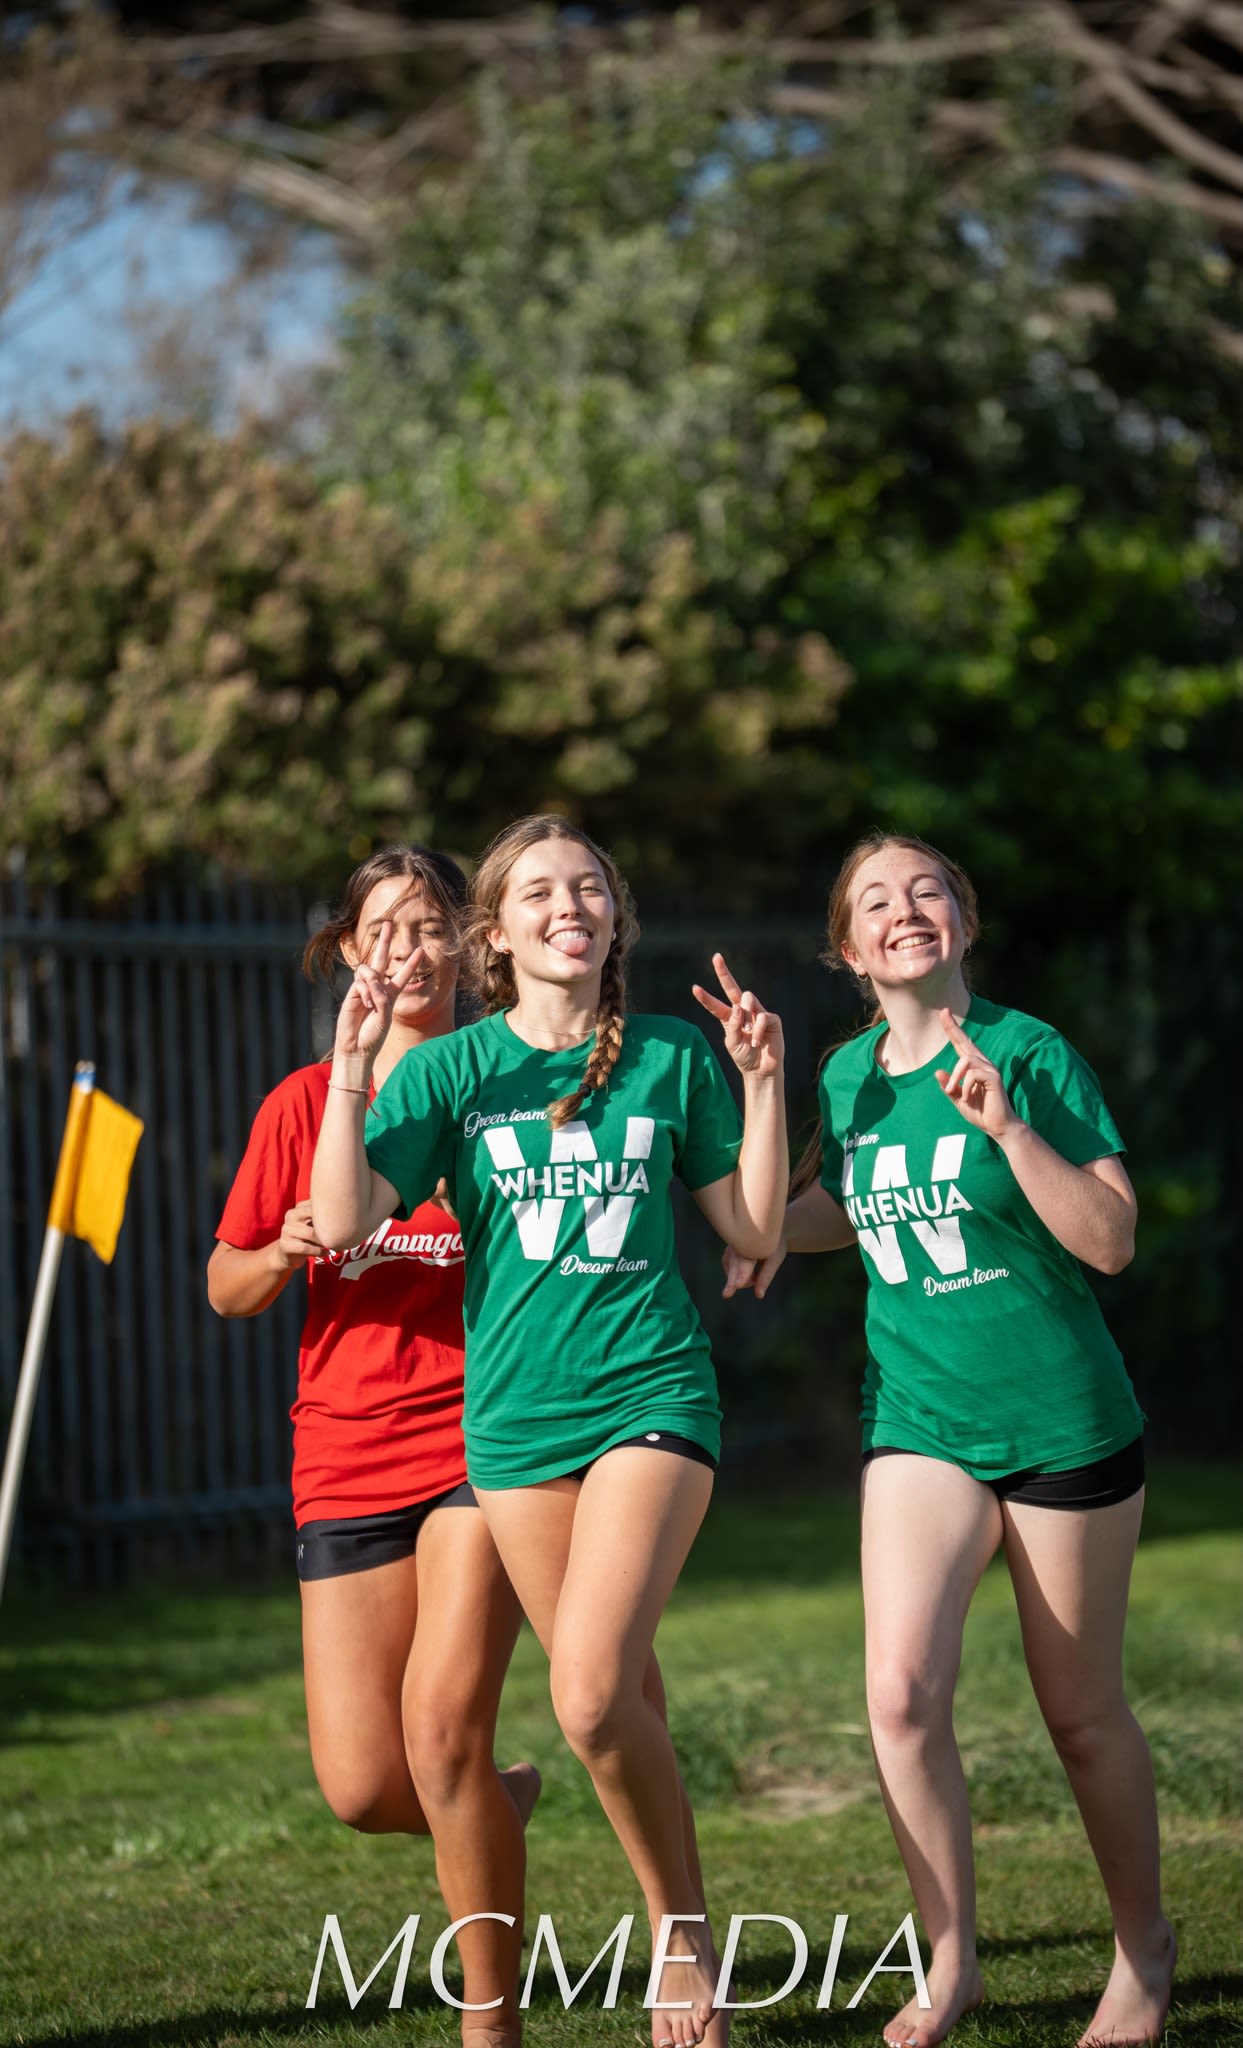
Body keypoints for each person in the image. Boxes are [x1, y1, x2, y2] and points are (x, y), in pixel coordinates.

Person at [310, 814, 788, 2048]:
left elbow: (750, 1225)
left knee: (582, 1695)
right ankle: (658, 1935)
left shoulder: (675, 1058)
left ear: (614, 919)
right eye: (536, 890)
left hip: (651, 1400)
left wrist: (766, 1079)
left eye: (588, 886)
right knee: (617, 1686)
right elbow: (348, 1217)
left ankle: (681, 1940)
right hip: (516, 1426)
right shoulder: (450, 1072)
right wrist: (354, 1065)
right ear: (498, 932)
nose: (566, 903)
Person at [724, 831, 1175, 2048]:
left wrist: (1009, 1132)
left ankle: (1142, 1950)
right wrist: (764, 1224)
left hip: (1062, 1421)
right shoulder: (847, 1075)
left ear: (962, 926)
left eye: (928, 891)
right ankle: (951, 1956)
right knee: (900, 1694)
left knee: (1078, 1714)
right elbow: (846, 1201)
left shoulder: (1027, 1053)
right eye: (876, 899)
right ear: (847, 944)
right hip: (921, 1420)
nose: (904, 909)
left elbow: (1112, 1240)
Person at [207, 845, 539, 2048]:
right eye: (384, 928)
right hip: (341, 1455)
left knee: (443, 1733)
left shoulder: (511, 1086)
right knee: (364, 1786)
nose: (409, 948)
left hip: (479, 1440)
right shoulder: (305, 1103)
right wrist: (290, 1245)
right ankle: (497, 1811)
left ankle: (489, 2023)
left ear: (472, 943)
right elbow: (225, 1283)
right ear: (350, 950)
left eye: (433, 923)